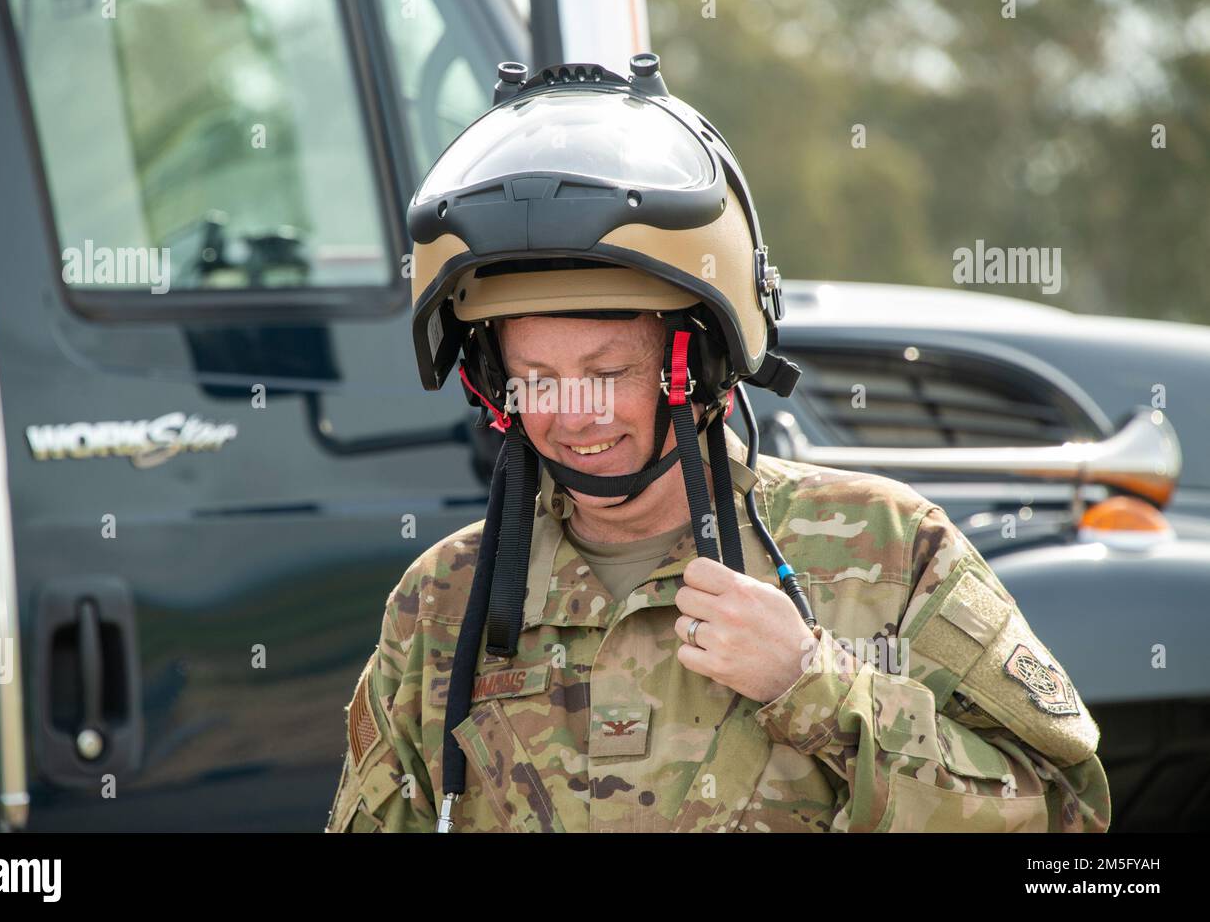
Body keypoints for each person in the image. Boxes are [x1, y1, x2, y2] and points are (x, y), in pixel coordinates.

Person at [325, 55, 1110, 833]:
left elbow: (1062, 815)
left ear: (700, 365)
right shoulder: (443, 601)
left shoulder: (888, 551)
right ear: (493, 382)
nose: (573, 415)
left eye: (608, 373)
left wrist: (814, 685)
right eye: (536, 378)